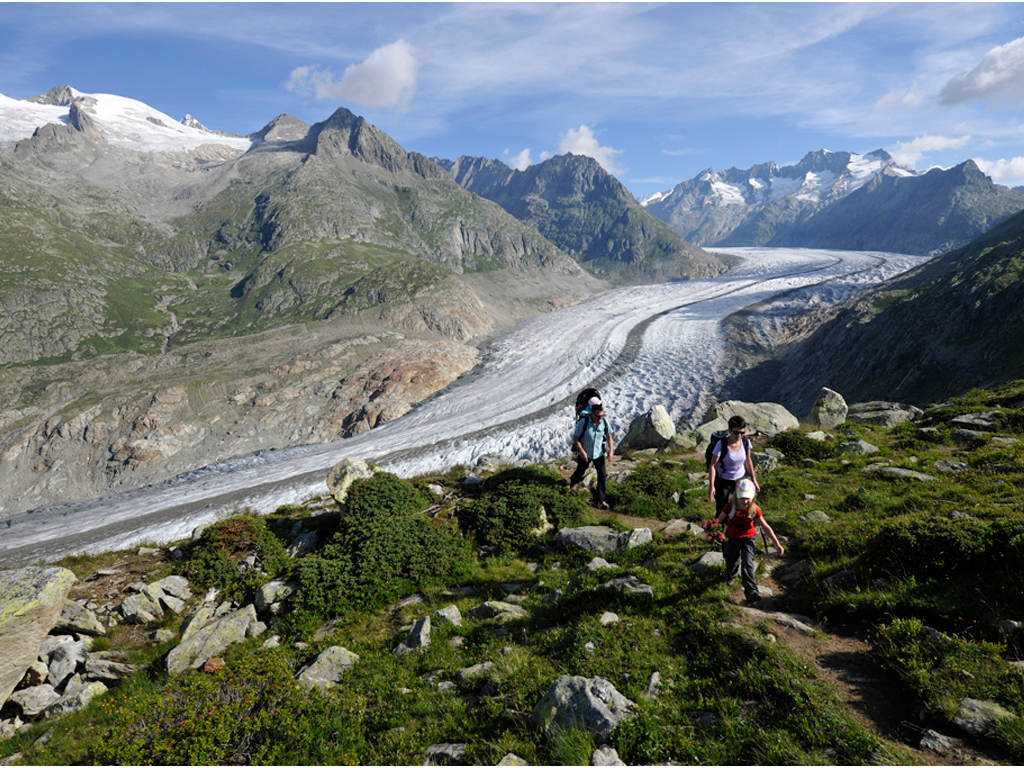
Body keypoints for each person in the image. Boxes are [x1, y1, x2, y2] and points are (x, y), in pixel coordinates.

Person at [715, 478, 784, 603]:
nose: (745, 501)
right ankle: (731, 575)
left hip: (748, 538)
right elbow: (718, 520)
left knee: (748, 563)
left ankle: (752, 592)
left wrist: (777, 544)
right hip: (732, 537)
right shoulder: (730, 507)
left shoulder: (754, 509)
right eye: (742, 497)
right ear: (736, 496)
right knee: (732, 561)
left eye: (748, 497)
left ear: (753, 497)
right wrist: (711, 529)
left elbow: (766, 527)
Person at [708, 415, 759, 517]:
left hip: (740, 480)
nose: (739, 436)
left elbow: (748, 461)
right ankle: (718, 531)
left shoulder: (745, 442)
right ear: (730, 430)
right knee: (721, 510)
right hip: (723, 481)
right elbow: (712, 466)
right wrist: (712, 486)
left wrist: (753, 479)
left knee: (742, 507)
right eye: (736, 432)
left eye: (742, 433)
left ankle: (738, 531)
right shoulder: (721, 444)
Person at [569, 398, 613, 509]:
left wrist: (611, 451)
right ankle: (571, 485)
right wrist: (582, 452)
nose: (601, 418)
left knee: (602, 475)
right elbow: (576, 438)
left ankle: (601, 500)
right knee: (580, 471)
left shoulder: (604, 422)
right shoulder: (583, 422)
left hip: (599, 453)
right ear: (592, 414)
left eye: (602, 416)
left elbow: (609, 437)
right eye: (599, 416)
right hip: (585, 454)